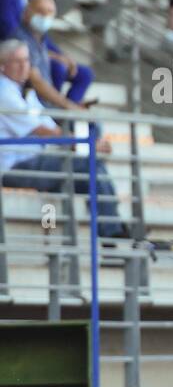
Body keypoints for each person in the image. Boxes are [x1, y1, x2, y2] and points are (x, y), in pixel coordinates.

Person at [0, 40, 126, 238]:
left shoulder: (25, 92)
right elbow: (41, 129)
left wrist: (83, 143)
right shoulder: (3, 91)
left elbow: (51, 126)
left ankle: (111, 234)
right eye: (17, 61)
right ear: (2, 65)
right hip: (13, 167)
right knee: (87, 165)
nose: (25, 66)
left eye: (26, 60)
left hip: (34, 162)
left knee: (90, 169)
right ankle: (111, 231)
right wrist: (84, 144)